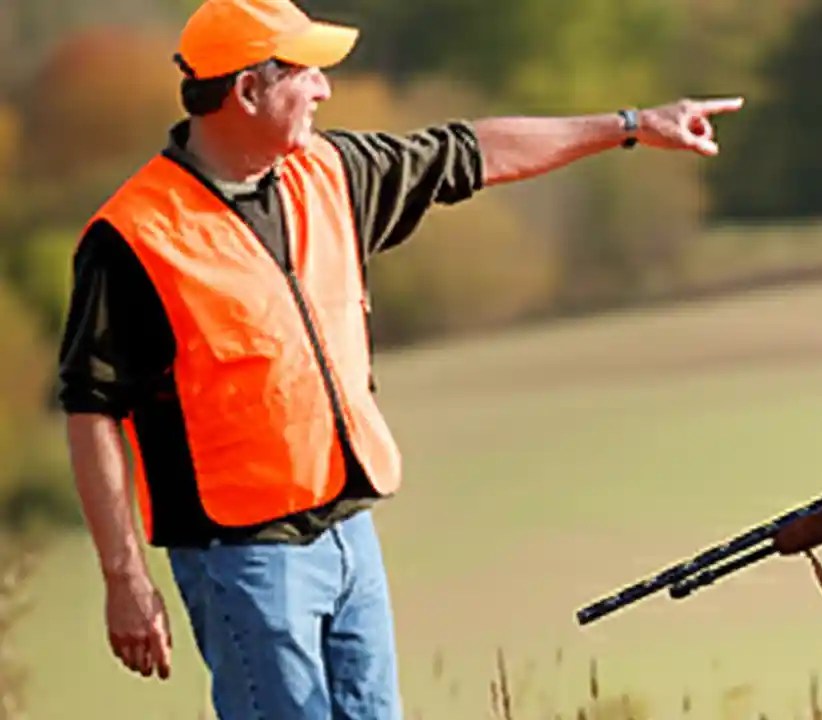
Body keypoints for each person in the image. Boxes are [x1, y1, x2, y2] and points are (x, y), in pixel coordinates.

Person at [54, 0, 744, 717]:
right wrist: (124, 575)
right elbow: (91, 409)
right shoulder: (135, 237)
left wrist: (630, 127)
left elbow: (473, 152)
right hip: (244, 560)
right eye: (304, 73)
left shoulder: (330, 173)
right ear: (247, 90)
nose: (323, 89)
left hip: (353, 534)